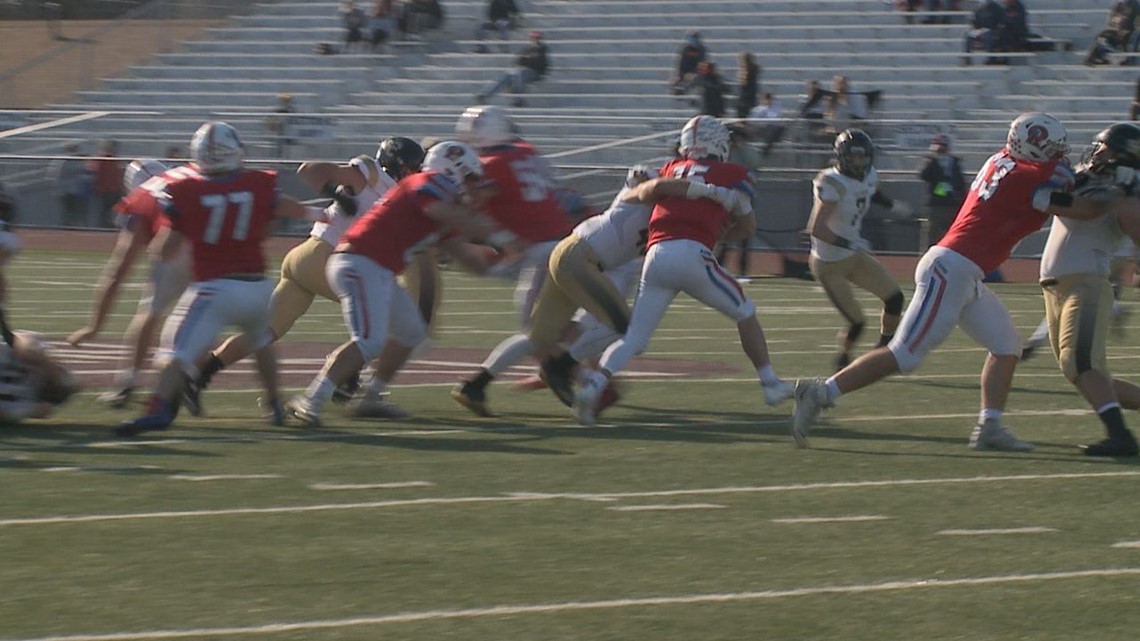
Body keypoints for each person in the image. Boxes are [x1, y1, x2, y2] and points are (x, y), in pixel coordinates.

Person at [791, 112, 1122, 452]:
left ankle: (989, 427)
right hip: (951, 268)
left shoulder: (1003, 159)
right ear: (1033, 147)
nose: (1059, 156)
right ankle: (820, 391)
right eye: (1052, 149)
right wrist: (1120, 192)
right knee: (905, 355)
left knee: (1007, 348)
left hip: (966, 272)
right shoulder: (1028, 176)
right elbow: (1082, 209)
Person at [184, 137, 428, 420]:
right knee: (378, 323)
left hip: (308, 260)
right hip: (323, 256)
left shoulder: (405, 195)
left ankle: (199, 376)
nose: (416, 174)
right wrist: (337, 193)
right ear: (395, 164)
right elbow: (309, 169)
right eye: (411, 168)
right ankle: (346, 380)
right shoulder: (372, 174)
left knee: (266, 332)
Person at [573, 115, 795, 425]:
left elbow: (645, 192)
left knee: (635, 339)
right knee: (744, 311)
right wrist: (717, 219)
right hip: (692, 253)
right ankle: (770, 383)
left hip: (655, 255)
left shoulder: (669, 168)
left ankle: (593, 387)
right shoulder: (733, 173)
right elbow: (747, 227)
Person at [116, 122, 316, 437]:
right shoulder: (258, 183)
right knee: (261, 343)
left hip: (214, 289)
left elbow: (164, 250)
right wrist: (322, 216)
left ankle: (158, 409)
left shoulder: (186, 190)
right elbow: (278, 215)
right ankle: (274, 404)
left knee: (173, 352)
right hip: (258, 288)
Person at [285, 142, 495, 427]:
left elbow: (464, 254)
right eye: (470, 179)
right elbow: (452, 218)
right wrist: (500, 234)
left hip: (376, 268)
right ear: (452, 171)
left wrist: (508, 263)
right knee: (369, 341)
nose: (473, 187)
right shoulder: (430, 183)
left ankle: (371, 396)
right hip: (358, 262)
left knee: (411, 332)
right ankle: (311, 399)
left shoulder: (440, 201)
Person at [533, 165, 747, 407]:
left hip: (570, 255)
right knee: (623, 326)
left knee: (539, 337)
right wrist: (711, 191)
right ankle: (559, 367)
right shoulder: (647, 190)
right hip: (579, 258)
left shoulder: (668, 215)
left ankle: (491, 382)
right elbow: (654, 183)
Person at [450, 105, 576, 417]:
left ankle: (478, 383)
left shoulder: (490, 164)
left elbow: (472, 202)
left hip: (541, 252)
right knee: (559, 328)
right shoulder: (525, 152)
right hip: (558, 245)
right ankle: (575, 373)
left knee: (537, 331)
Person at [1036, 122, 1140, 456]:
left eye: (1105, 148)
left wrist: (1126, 194)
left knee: (1079, 361)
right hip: (1053, 287)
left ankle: (1120, 436)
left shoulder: (1127, 192)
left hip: (1087, 282)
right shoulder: (1085, 176)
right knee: (1081, 372)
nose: (1097, 152)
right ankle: (1118, 431)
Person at [67, 159, 191, 408]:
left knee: (149, 313)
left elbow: (119, 270)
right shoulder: (185, 178)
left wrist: (94, 325)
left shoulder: (143, 198)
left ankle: (127, 383)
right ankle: (193, 382)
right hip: (216, 245)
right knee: (206, 315)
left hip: (175, 248)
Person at [808, 129, 912, 372]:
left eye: (862, 157)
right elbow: (816, 228)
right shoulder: (831, 182)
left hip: (853, 255)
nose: (859, 162)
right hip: (829, 262)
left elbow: (870, 192)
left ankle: (882, 351)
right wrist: (849, 243)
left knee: (895, 298)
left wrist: (893, 206)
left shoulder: (870, 175)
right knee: (857, 322)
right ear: (841, 157)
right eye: (853, 157)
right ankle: (842, 358)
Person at [475, 31, 549, 107]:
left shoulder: (542, 48)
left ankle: (518, 99)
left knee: (518, 73)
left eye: (536, 38)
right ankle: (485, 95)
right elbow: (518, 59)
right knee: (506, 74)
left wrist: (526, 58)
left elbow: (536, 61)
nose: (534, 40)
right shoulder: (527, 48)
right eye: (532, 38)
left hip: (535, 72)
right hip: (522, 70)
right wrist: (527, 58)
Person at [918, 133, 968, 245]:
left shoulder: (954, 162)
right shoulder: (930, 161)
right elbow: (924, 175)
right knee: (932, 236)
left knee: (954, 237)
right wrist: (932, 161)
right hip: (936, 204)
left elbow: (960, 182)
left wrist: (961, 199)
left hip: (953, 204)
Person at [48, 142, 91, 227]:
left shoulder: (59, 160)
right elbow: (80, 172)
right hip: (70, 190)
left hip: (67, 190)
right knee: (71, 210)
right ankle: (69, 226)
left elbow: (52, 174)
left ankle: (69, 225)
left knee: (69, 210)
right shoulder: (70, 161)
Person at [1087, 0, 1140, 66]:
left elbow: (1136, 22)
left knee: (1134, 35)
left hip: (1131, 31)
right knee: (1103, 36)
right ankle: (1096, 59)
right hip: (1119, 31)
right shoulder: (1119, 4)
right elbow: (1112, 20)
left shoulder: (1134, 4)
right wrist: (1117, 21)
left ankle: (1127, 59)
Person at [89, 139, 125, 228]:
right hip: (106, 190)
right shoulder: (104, 159)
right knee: (105, 210)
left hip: (110, 189)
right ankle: (104, 225)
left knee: (109, 210)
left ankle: (107, 224)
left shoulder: (109, 159)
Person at [748, 92, 786, 156]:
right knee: (773, 130)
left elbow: (779, 119)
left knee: (780, 128)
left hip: (773, 128)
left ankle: (767, 148)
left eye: (770, 99)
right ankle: (768, 147)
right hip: (761, 128)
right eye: (767, 99)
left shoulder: (777, 109)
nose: (768, 101)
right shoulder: (757, 109)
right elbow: (752, 121)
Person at [669, 31, 706, 96]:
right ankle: (678, 90)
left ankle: (687, 90)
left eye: (695, 39)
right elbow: (680, 63)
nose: (693, 41)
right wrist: (679, 75)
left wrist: (695, 73)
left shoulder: (702, 49)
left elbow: (703, 64)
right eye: (692, 39)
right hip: (685, 72)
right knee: (675, 79)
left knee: (695, 78)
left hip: (696, 72)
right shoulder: (685, 49)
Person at [265, 94, 295, 159]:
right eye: (283, 100)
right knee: (276, 146)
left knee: (286, 149)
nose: (284, 102)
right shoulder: (275, 110)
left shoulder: (293, 111)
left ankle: (286, 160)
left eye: (286, 101)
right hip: (277, 133)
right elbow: (269, 122)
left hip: (288, 133)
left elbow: (294, 122)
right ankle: (274, 159)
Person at [735, 52, 760, 120]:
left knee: (743, 117)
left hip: (745, 97)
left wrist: (740, 74)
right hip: (752, 95)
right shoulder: (754, 69)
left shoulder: (745, 70)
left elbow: (743, 82)